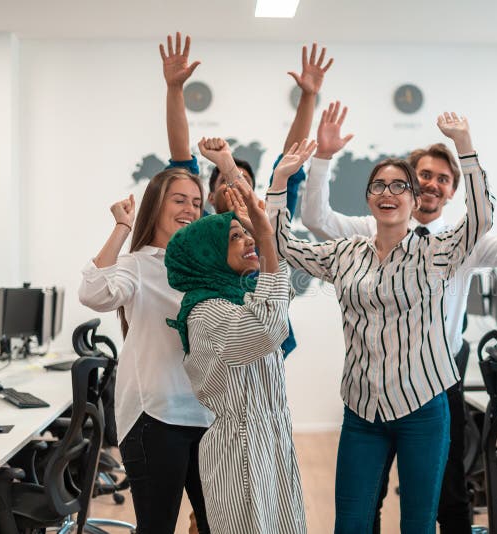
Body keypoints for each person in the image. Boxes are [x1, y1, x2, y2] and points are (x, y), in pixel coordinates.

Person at [300, 104, 497, 533]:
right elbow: (317, 220)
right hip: (373, 386)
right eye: (424, 175)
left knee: (447, 497)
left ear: (451, 192)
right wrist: (322, 158)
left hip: (436, 383)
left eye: (443, 180)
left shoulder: (460, 244)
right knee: (365, 500)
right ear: (410, 185)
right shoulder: (373, 230)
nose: (432, 184)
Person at [266, 108, 495, 533]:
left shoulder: (435, 250)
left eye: (399, 185)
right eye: (378, 186)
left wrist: (465, 146)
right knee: (351, 523)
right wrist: (280, 183)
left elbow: (482, 219)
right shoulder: (345, 252)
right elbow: (280, 245)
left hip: (424, 407)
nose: (388, 193)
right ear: (369, 197)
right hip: (361, 409)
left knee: (418, 524)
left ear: (414, 198)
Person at [163, 140, 315, 533]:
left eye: (246, 233)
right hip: (241, 449)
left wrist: (261, 229)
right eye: (234, 237)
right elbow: (268, 330)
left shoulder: (243, 294)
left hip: (271, 435)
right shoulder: (205, 310)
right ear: (208, 254)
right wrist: (264, 239)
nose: (247, 239)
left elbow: (279, 297)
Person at [161, 34, 333, 359]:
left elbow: (290, 163)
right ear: (209, 197)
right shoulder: (203, 234)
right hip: (215, 344)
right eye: (225, 182)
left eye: (243, 183)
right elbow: (181, 160)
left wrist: (308, 96)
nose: (235, 186)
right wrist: (174, 89)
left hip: (268, 342)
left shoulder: (266, 223)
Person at [78, 168, 214, 533]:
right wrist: (122, 227)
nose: (190, 209)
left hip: (207, 419)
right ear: (156, 206)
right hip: (155, 420)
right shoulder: (137, 265)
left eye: (197, 203)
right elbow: (93, 292)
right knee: (157, 527)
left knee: (217, 525)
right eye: (180, 200)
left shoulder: (206, 270)